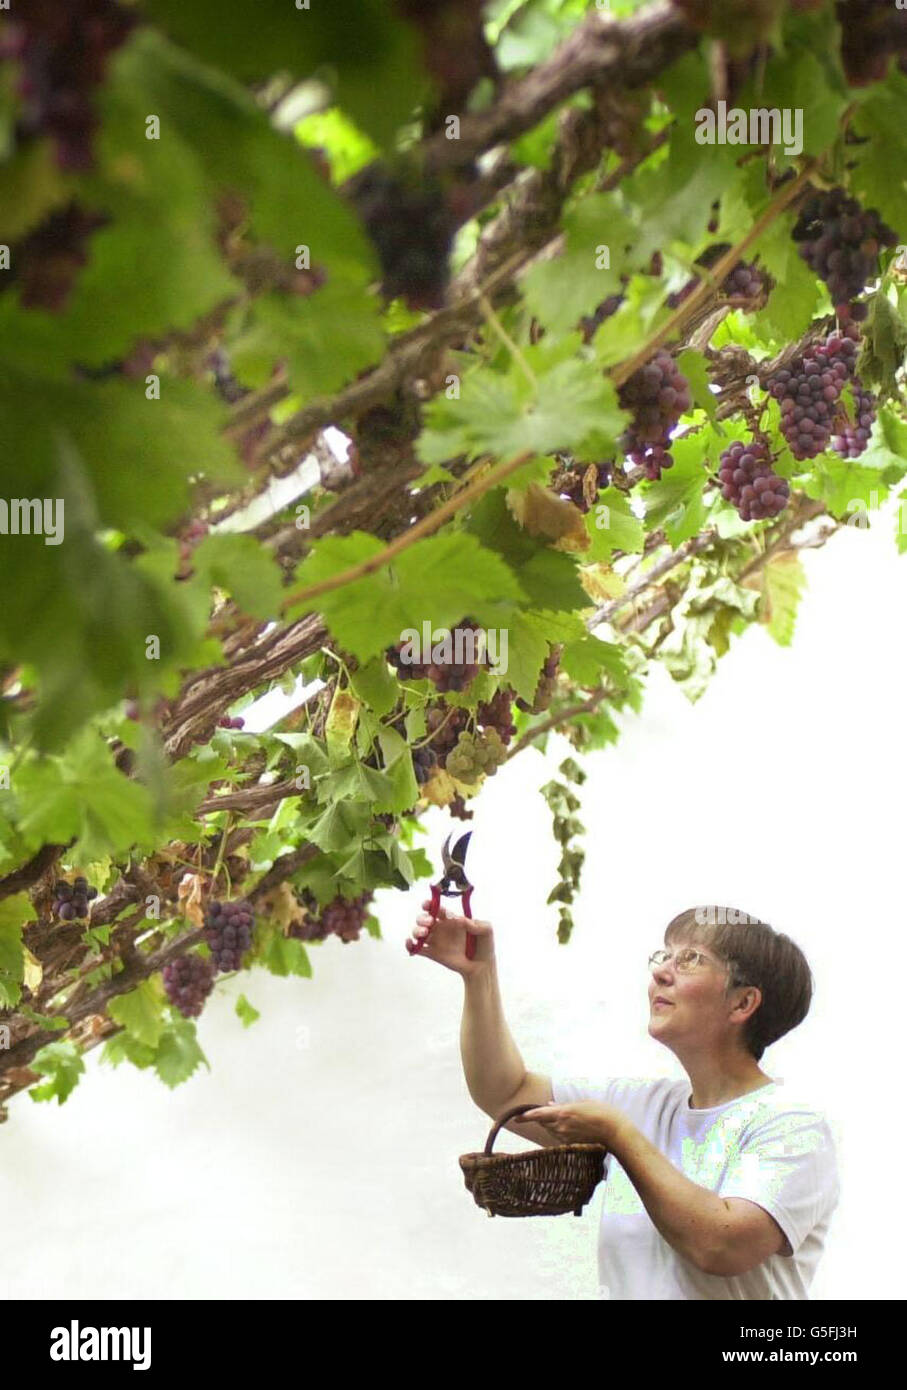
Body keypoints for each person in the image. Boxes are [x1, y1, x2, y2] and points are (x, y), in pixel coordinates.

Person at [408, 900, 840, 1300]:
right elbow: (506, 1092)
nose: (662, 973)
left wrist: (618, 1135)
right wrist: (479, 975)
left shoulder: (791, 1126)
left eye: (690, 959)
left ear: (743, 1002)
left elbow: (722, 1246)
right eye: (665, 956)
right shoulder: (644, 1105)